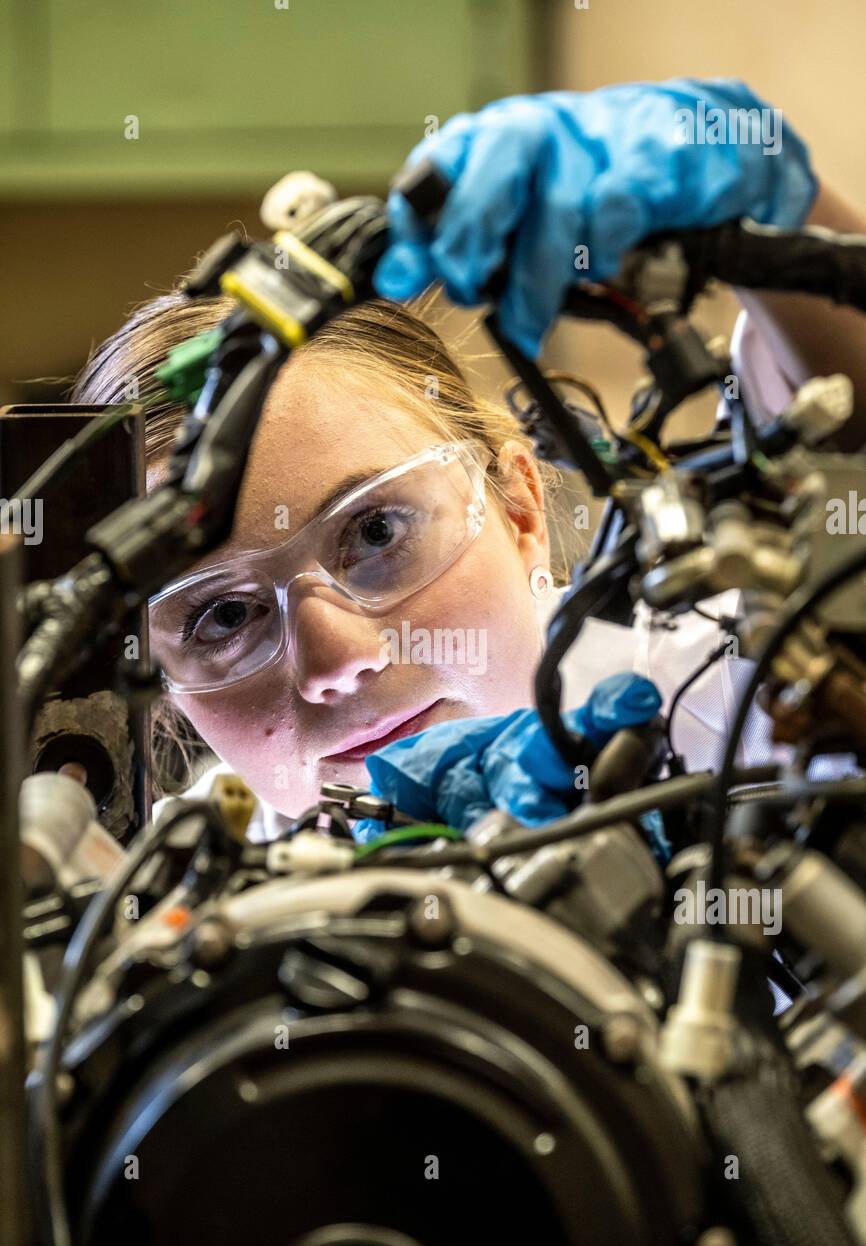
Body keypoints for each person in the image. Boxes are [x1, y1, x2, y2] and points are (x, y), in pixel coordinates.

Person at [71, 78, 866, 840]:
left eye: (377, 531)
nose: (337, 662)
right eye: (224, 616)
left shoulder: (719, 698)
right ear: (160, 688)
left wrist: (764, 194)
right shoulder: (162, 914)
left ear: (519, 507)